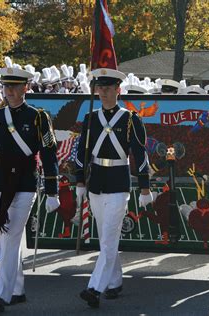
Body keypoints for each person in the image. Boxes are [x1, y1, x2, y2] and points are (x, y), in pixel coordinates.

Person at [0, 67, 60, 312]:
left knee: (9, 237)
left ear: (26, 88)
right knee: (8, 238)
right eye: (6, 87)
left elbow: (49, 154)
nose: (9, 91)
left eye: (14, 87)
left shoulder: (38, 117)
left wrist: (53, 190)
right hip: (1, 183)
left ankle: (1, 294)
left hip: (25, 184)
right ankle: (17, 289)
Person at [75, 68, 152, 308]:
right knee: (107, 239)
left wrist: (145, 188)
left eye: (108, 89)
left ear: (118, 90)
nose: (103, 93)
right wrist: (79, 181)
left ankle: (94, 288)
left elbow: (140, 154)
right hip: (97, 183)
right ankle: (115, 281)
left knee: (108, 238)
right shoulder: (91, 118)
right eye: (100, 88)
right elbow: (81, 154)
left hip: (119, 183)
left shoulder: (130, 119)